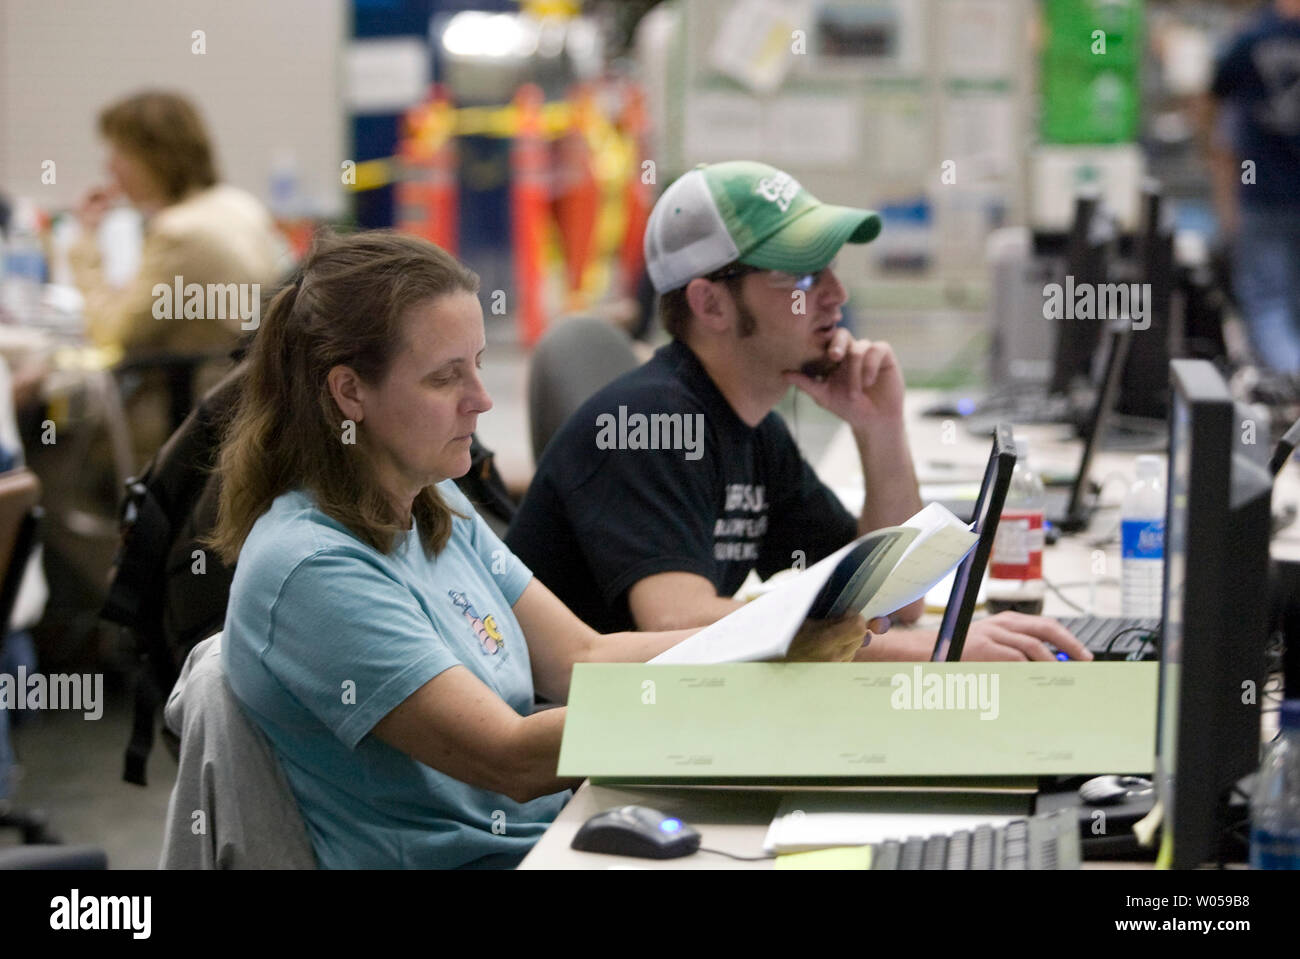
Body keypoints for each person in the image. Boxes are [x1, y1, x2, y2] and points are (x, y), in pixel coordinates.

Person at [210, 231, 874, 869]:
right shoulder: (311, 569)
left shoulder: (434, 503)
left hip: (549, 835)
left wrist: (780, 633)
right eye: (445, 378)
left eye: (476, 363)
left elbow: (586, 655)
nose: (482, 398)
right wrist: (745, 683)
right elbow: (511, 758)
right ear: (349, 390)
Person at [507, 160, 1090, 662]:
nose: (836, 293)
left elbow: (895, 601)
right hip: (584, 763)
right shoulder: (649, 424)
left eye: (830, 268)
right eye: (801, 275)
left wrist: (878, 428)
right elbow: (676, 623)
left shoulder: (753, 428)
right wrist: (929, 650)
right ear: (710, 303)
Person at [69, 90, 286, 458]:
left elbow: (110, 334)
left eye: (119, 153)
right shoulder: (237, 204)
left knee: (54, 439)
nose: (110, 168)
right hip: (248, 401)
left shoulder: (178, 230)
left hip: (190, 411)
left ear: (153, 157)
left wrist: (86, 245)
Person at [1205, 0, 1300, 375]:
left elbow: (1213, 102)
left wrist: (1224, 202)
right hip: (1264, 193)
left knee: (1267, 305)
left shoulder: (1251, 39)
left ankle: (1292, 392)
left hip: (1262, 190)